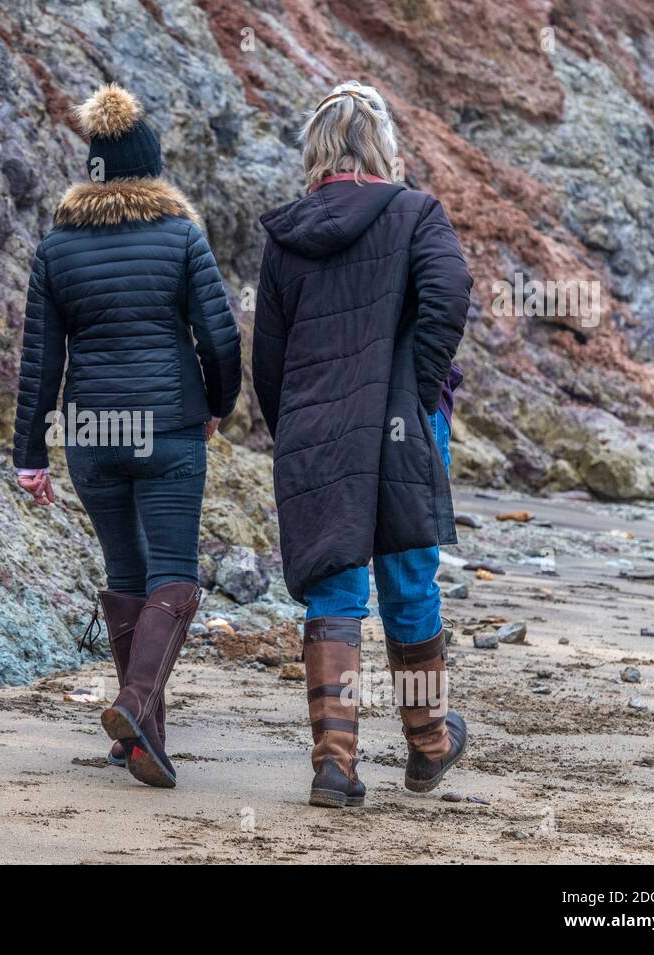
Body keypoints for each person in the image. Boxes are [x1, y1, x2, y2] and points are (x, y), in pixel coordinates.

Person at [12, 84, 241, 789]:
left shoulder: (57, 247)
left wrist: (29, 455)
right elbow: (222, 336)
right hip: (168, 427)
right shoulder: (180, 237)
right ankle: (136, 702)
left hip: (93, 434)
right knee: (174, 571)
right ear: (153, 170)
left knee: (124, 574)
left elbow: (39, 359)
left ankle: (143, 741)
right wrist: (217, 403)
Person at [252, 81, 473, 808]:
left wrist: (299, 432)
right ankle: (429, 743)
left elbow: (270, 357)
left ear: (315, 152)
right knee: (409, 578)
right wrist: (420, 388)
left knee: (335, 584)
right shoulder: (417, 213)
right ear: (381, 147)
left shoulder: (287, 235)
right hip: (402, 421)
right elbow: (451, 293)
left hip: (318, 428)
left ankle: (335, 764)